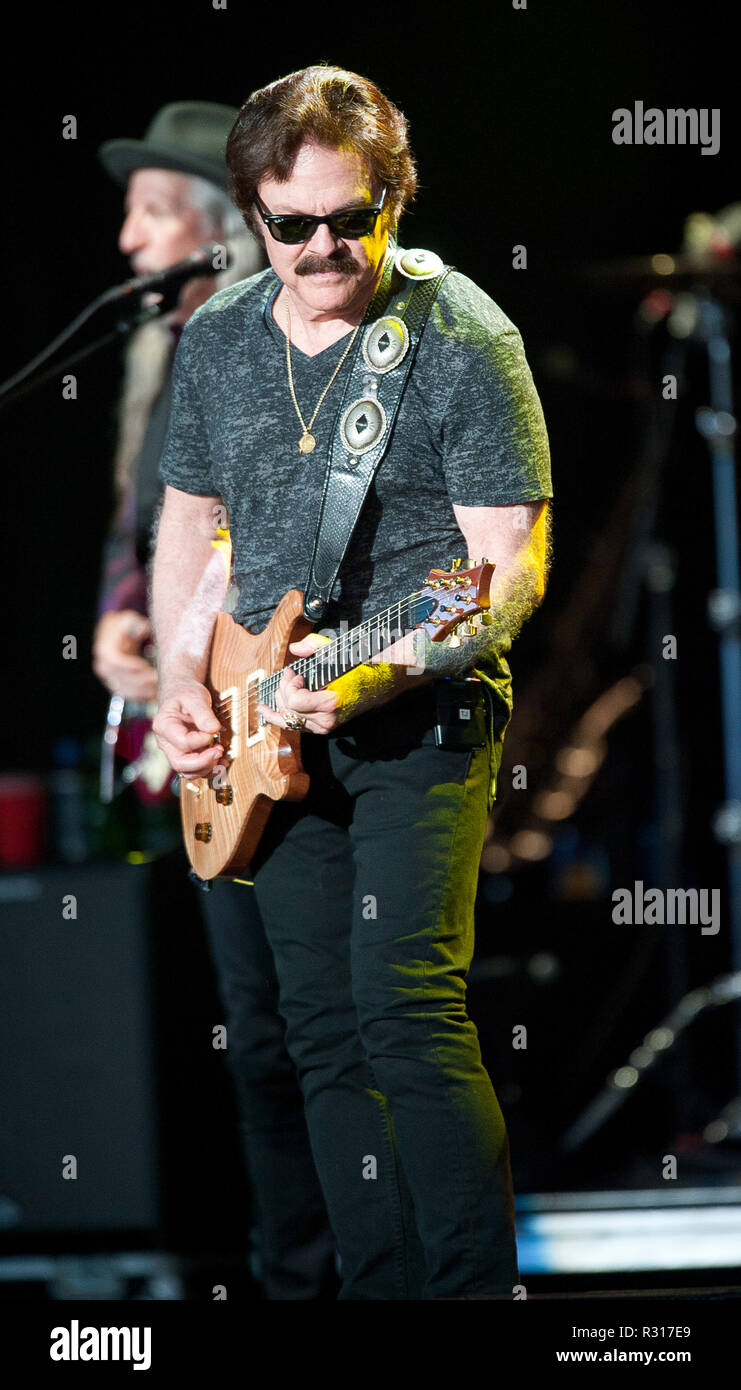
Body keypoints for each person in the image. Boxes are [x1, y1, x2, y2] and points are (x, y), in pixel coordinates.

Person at [151, 66, 552, 1300]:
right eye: (293, 225)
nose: (326, 248)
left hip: (420, 714)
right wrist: (181, 674)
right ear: (251, 213)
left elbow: (506, 571)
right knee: (320, 1035)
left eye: (354, 218)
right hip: (263, 721)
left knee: (405, 1014)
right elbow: (188, 530)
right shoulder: (219, 339)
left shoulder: (463, 337)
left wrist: (375, 671)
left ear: (396, 198)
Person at [93, 101, 338, 1298]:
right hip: (208, 739)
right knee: (256, 1033)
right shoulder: (158, 354)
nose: (130, 244)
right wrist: (119, 622)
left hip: (296, 709)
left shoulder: (278, 348)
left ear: (212, 232)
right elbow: (143, 530)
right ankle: (290, 1276)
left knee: (336, 1025)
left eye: (149, 214)